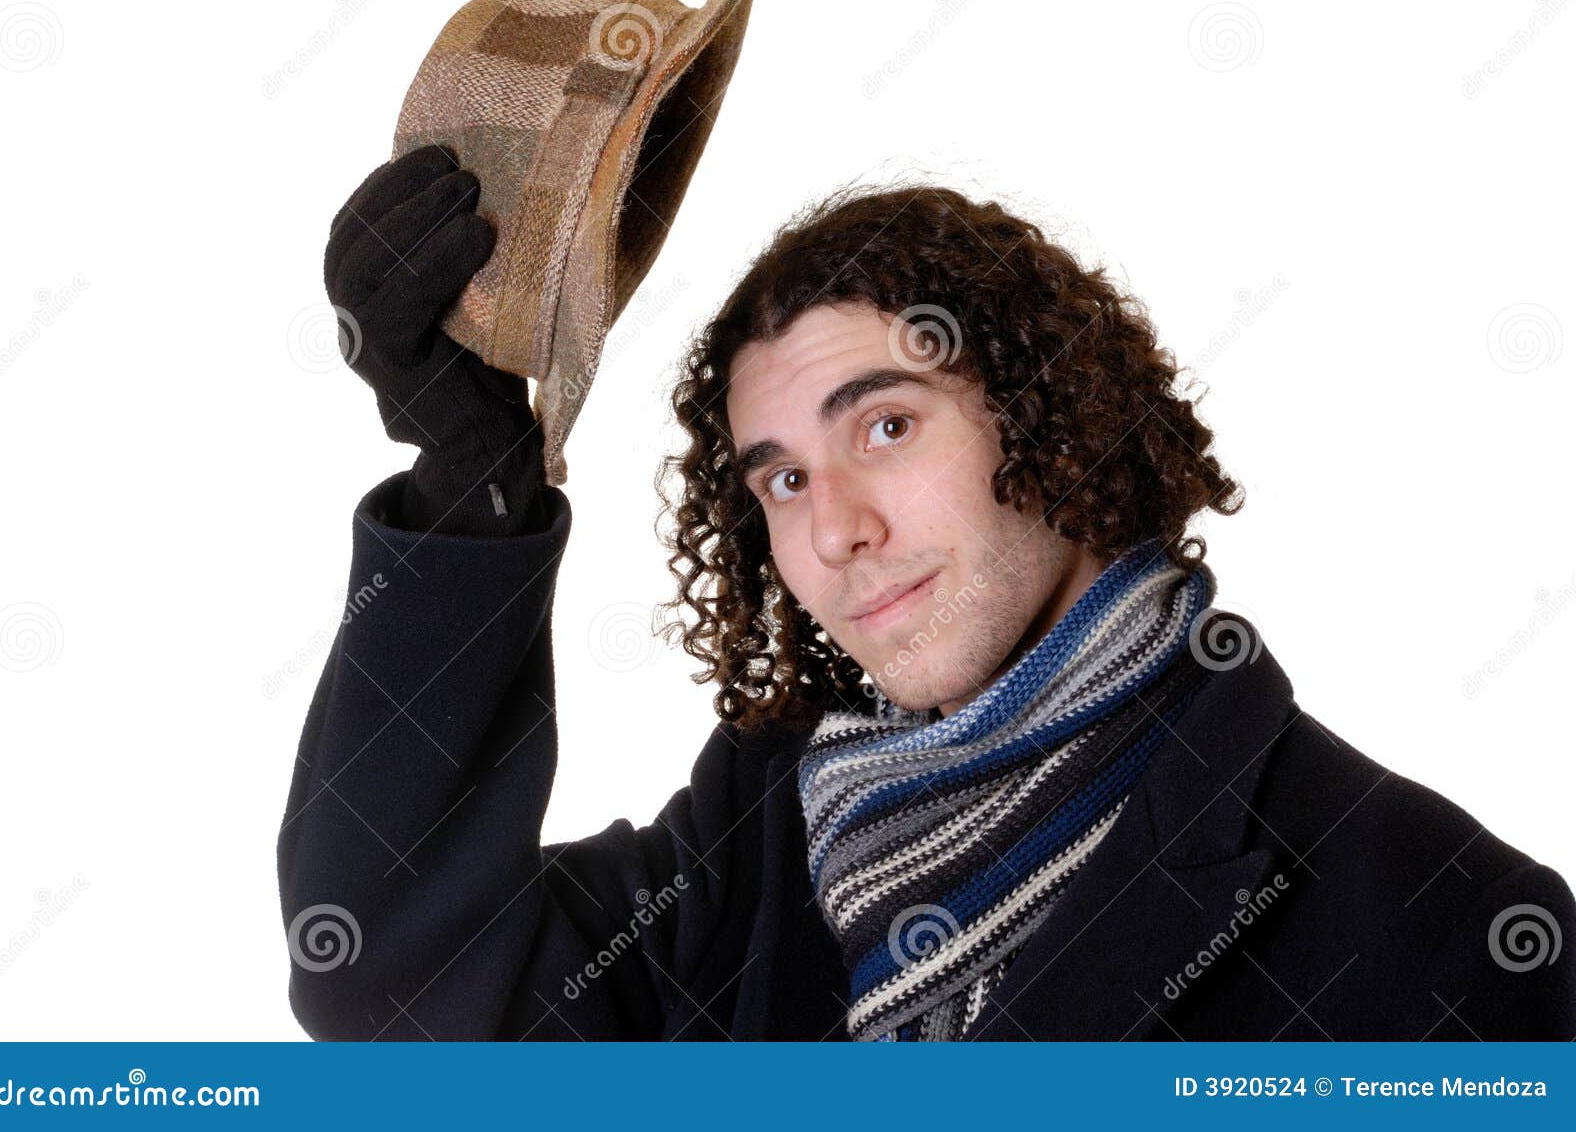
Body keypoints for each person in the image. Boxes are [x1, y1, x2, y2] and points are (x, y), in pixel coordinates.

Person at [278, 145, 1576, 1041]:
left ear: (1049, 419)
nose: (835, 525)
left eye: (886, 426)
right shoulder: (762, 839)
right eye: (779, 479)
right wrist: (467, 487)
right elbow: (399, 984)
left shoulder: (1442, 925)